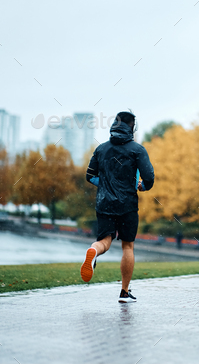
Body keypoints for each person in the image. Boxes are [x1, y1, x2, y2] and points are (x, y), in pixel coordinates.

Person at [80, 111, 154, 303]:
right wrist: (142, 186)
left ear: (114, 125)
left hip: (104, 203)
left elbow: (89, 175)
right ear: (132, 128)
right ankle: (124, 292)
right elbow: (149, 178)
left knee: (104, 241)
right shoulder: (137, 150)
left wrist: (105, 185)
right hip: (127, 205)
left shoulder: (101, 149)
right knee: (127, 246)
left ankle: (93, 251)